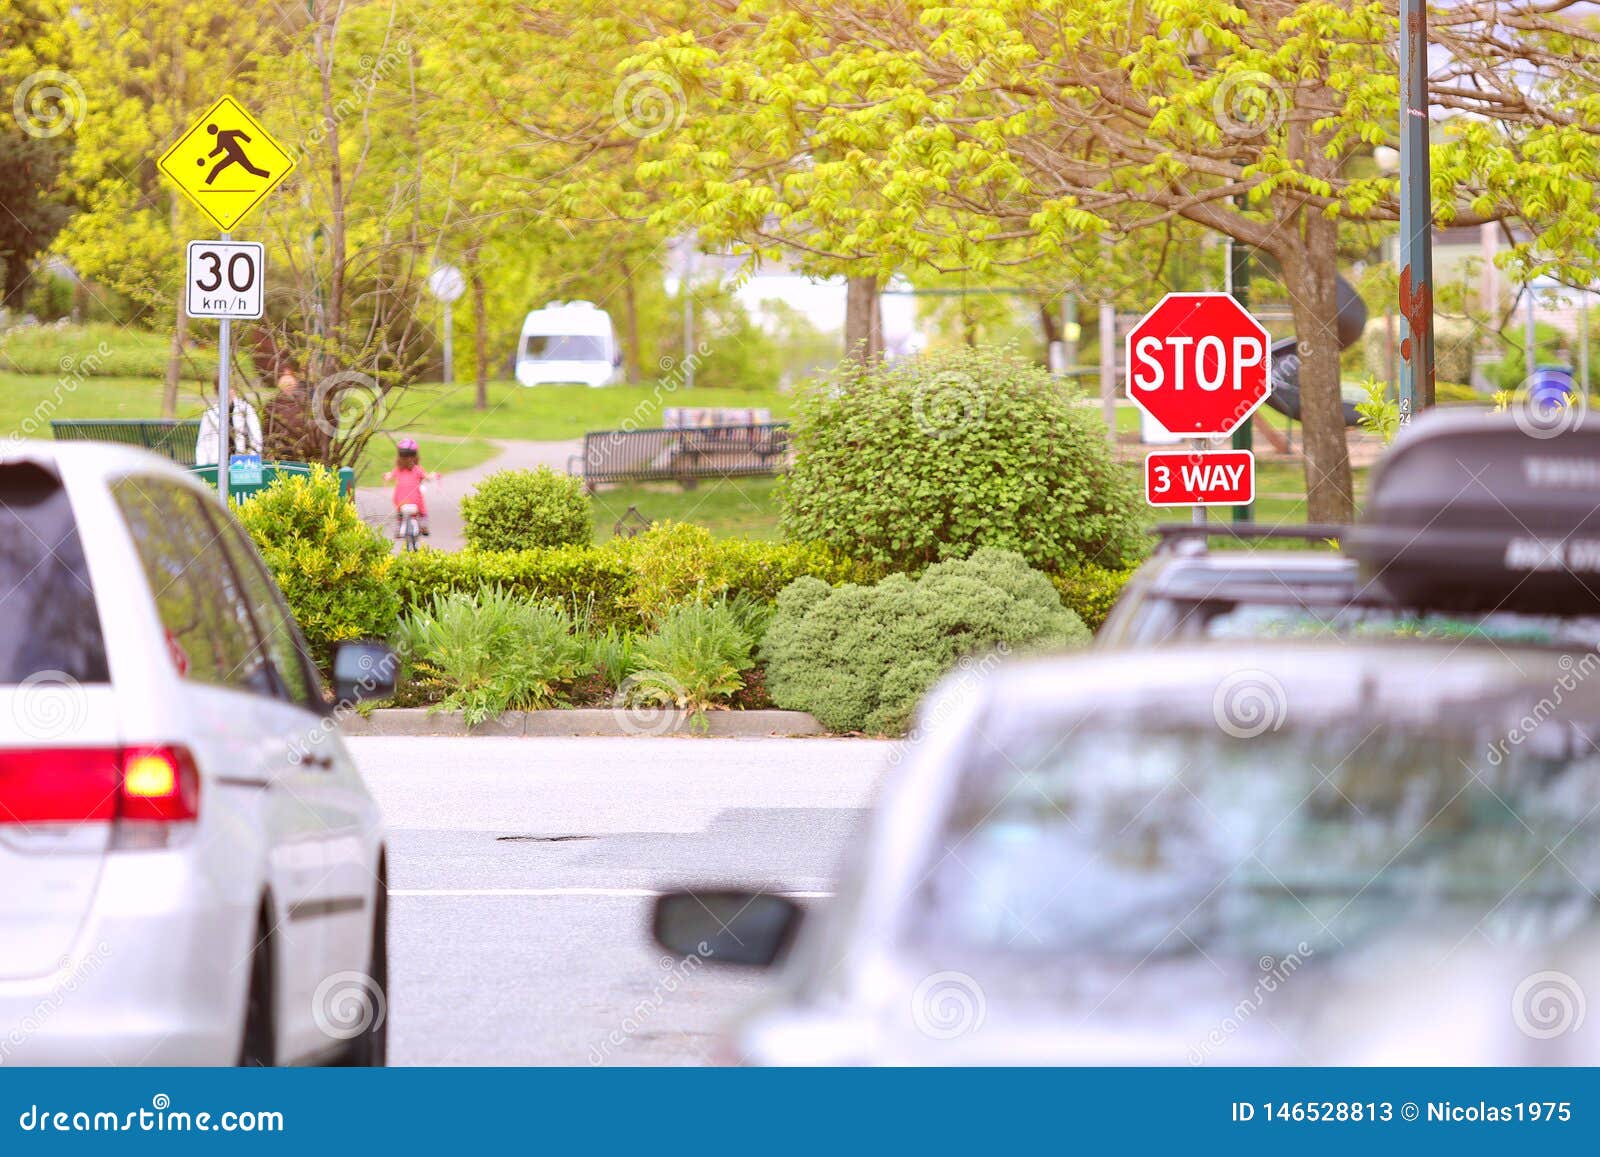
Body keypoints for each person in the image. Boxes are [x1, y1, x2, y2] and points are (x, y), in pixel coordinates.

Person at [384, 438, 440, 540]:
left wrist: (386, 476)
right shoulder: (418, 469)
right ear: (416, 457)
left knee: (399, 510)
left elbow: (389, 477)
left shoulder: (398, 470)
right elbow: (427, 477)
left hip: (400, 500)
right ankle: (424, 526)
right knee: (422, 510)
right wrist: (434, 475)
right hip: (415, 500)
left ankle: (399, 526)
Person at [193, 385, 262, 466]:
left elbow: (256, 436)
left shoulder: (245, 409)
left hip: (242, 463)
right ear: (217, 391)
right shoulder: (210, 413)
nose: (228, 392)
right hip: (217, 463)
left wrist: (253, 458)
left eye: (230, 388)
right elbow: (202, 443)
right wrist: (202, 468)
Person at [262, 369, 322, 462]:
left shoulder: (304, 403)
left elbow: (315, 426)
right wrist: (268, 451)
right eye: (286, 385)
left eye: (291, 385)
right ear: (280, 387)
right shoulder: (272, 405)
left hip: (304, 448)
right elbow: (266, 430)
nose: (288, 388)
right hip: (281, 448)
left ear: (295, 386)